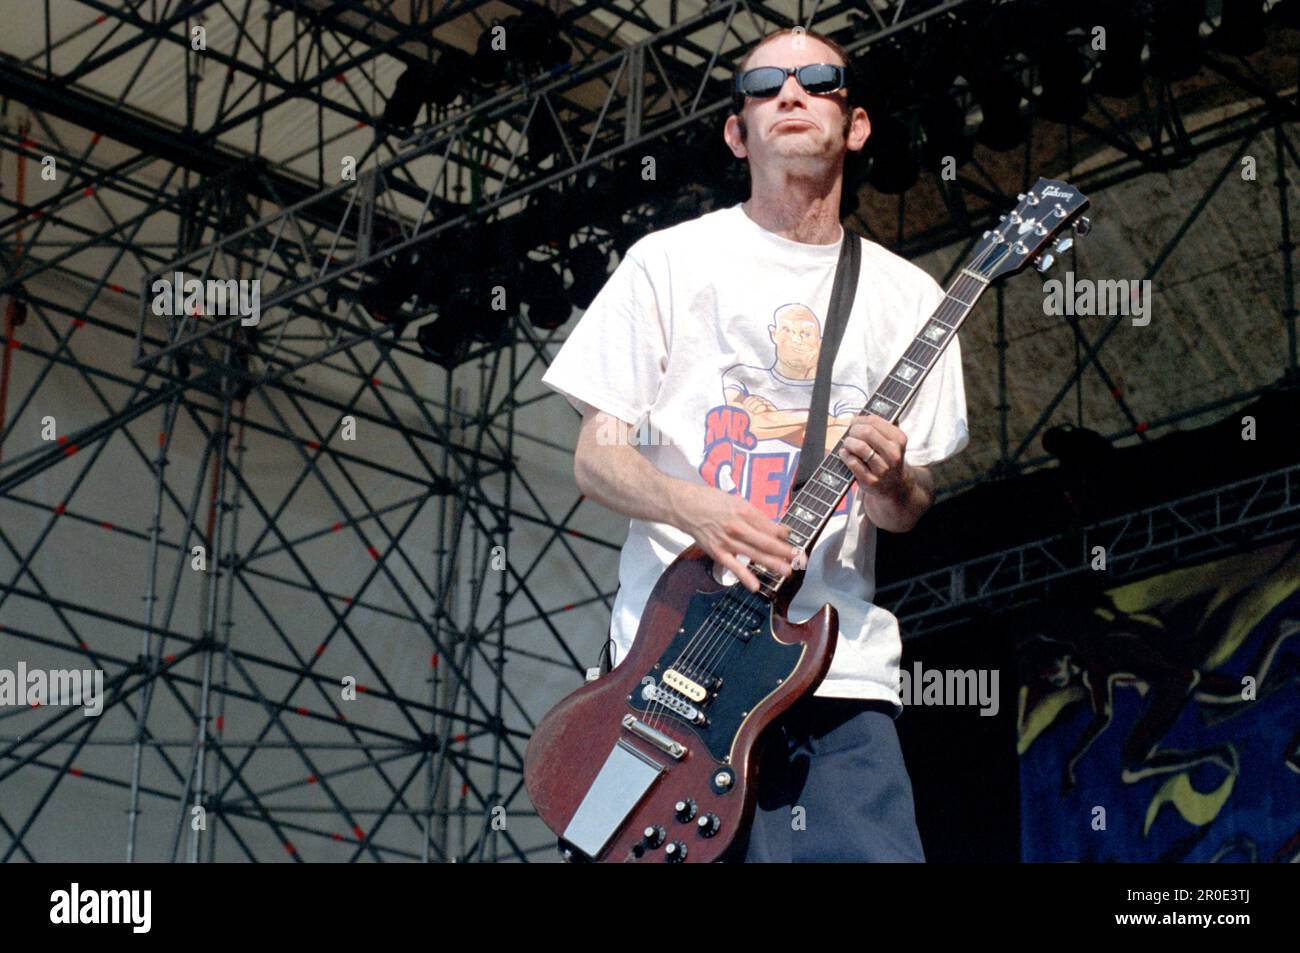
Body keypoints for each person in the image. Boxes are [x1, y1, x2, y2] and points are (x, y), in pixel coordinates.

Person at [540, 26, 969, 862]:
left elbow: (910, 506)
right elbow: (597, 455)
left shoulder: (911, 297)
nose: (792, 92)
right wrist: (697, 507)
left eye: (819, 78)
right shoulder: (666, 263)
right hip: (666, 688)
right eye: (765, 82)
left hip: (835, 683)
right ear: (738, 132)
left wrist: (889, 480)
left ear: (858, 124)